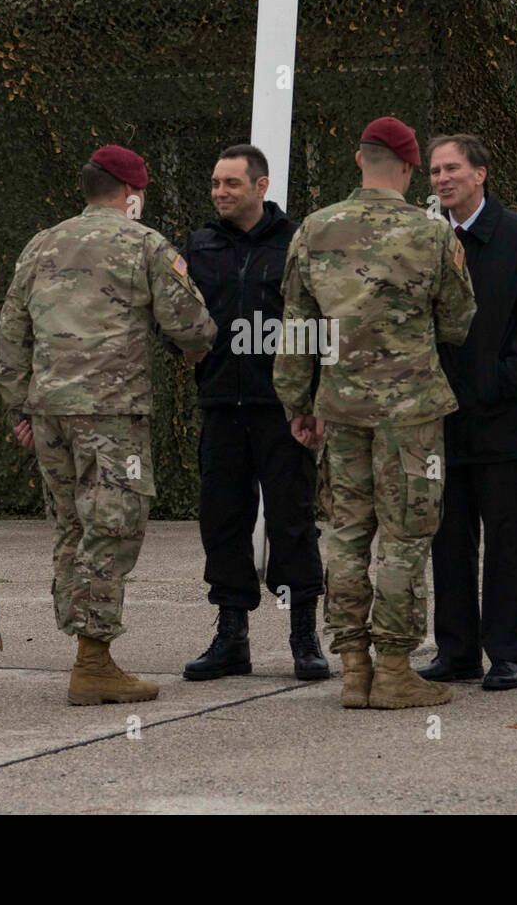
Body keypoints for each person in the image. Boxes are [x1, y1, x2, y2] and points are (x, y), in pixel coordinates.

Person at [0, 145, 216, 705]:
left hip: (49, 412)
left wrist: (18, 408)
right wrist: (193, 352)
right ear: (132, 195)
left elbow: (11, 335)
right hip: (111, 412)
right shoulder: (144, 244)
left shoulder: (39, 244)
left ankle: (83, 646)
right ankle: (93, 662)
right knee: (113, 526)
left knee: (72, 526)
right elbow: (192, 325)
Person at [274, 117, 476, 709]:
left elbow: (295, 332)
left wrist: (297, 403)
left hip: (338, 409)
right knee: (406, 538)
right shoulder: (433, 232)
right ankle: (393, 669)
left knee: (344, 535)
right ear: (411, 168)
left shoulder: (314, 229)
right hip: (410, 411)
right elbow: (459, 322)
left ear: (359, 160)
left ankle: (354, 668)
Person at [172, 144, 327, 682]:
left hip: (281, 410)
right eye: (215, 183)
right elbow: (179, 312)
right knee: (222, 519)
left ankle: (304, 635)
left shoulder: (296, 243)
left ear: (261, 186)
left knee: (292, 520)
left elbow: (318, 320)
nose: (220, 192)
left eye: (231, 183)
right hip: (220, 406)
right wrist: (183, 348)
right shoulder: (200, 244)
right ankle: (231, 637)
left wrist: (313, 397)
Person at [418, 134, 517, 691]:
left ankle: (506, 653)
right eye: (433, 171)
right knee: (448, 540)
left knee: (506, 541)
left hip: (500, 421)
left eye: (451, 168)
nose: (440, 179)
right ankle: (456, 653)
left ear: (481, 173)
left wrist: (500, 383)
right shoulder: (428, 240)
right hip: (438, 422)